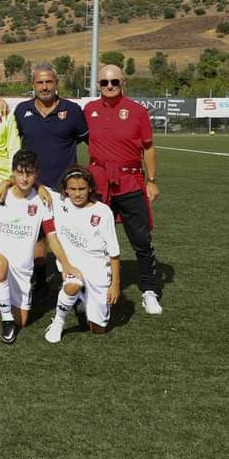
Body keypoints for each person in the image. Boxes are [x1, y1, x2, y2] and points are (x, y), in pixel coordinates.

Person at [84, 64, 163, 315]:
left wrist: (151, 179)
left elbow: (148, 147)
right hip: (98, 184)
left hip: (130, 181)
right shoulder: (88, 110)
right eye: (104, 82)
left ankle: (149, 291)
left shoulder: (138, 111)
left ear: (123, 83)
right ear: (97, 85)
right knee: (94, 239)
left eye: (114, 82)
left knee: (141, 239)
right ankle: (94, 288)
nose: (109, 86)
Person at [0, 150, 79, 344]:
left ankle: (3, 294)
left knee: (22, 321)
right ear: (13, 172)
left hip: (23, 270)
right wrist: (6, 182)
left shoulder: (44, 199)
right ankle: (6, 320)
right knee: (0, 265)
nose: (24, 178)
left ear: (37, 173)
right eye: (20, 172)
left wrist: (66, 264)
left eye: (30, 173)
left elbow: (52, 237)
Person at [12, 63, 88, 297]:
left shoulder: (72, 110)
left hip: (64, 189)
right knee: (36, 237)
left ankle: (77, 283)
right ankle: (40, 281)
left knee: (71, 237)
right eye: (40, 82)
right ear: (33, 84)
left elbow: (89, 141)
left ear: (57, 83)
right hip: (32, 187)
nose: (44, 87)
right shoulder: (21, 111)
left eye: (49, 82)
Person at [43, 166, 121, 343]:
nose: (77, 194)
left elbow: (114, 254)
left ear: (90, 188)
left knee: (98, 329)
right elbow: (33, 183)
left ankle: (84, 300)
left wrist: (115, 284)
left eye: (82, 189)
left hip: (97, 268)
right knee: (73, 285)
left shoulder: (103, 212)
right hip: (72, 266)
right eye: (72, 189)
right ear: (65, 189)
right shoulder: (59, 202)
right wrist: (7, 183)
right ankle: (58, 322)